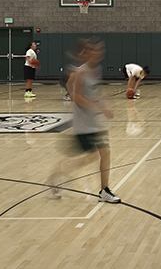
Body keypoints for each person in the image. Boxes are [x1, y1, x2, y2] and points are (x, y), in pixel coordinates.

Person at [48, 38, 120, 204]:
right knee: (87, 159)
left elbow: (94, 92)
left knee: (105, 153)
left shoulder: (97, 70)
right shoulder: (80, 72)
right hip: (84, 124)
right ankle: (56, 177)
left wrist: (103, 103)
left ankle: (104, 190)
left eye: (100, 49)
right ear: (87, 53)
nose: (99, 52)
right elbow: (76, 97)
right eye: (95, 49)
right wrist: (95, 106)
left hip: (96, 122)